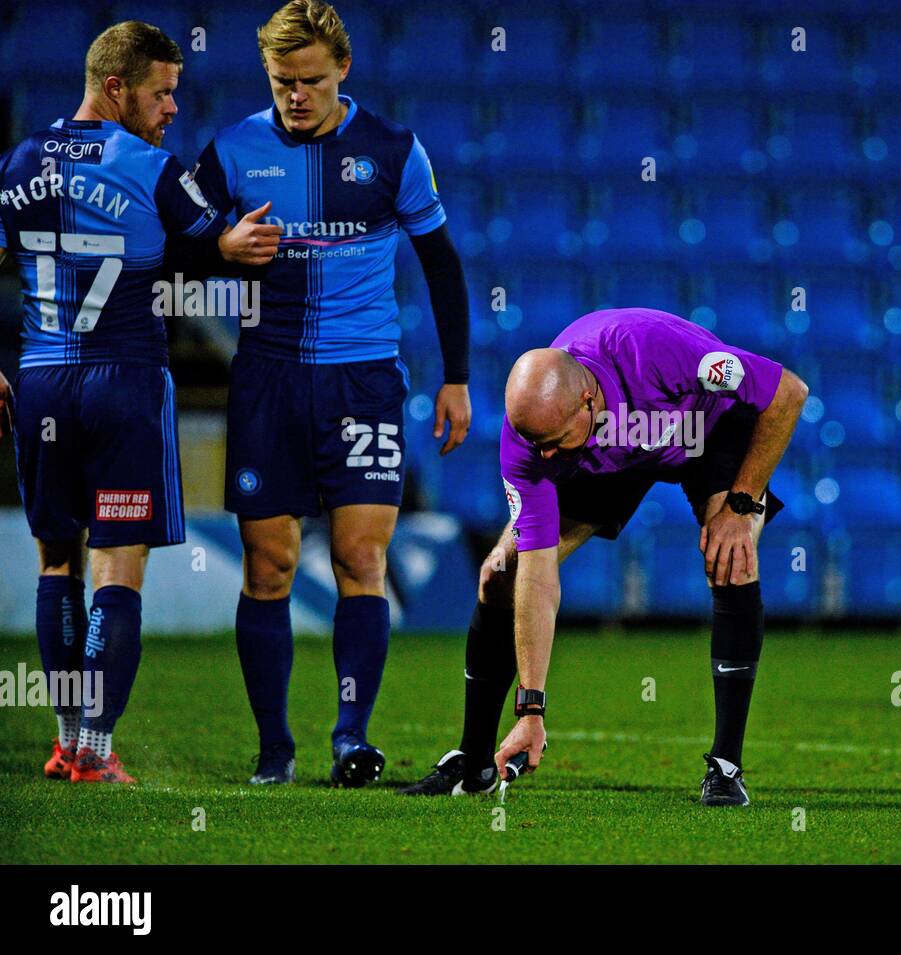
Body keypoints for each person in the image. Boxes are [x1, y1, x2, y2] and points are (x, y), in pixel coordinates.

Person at [187, 0, 471, 786]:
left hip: (364, 378)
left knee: (359, 554)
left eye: (311, 80)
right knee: (270, 563)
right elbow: (177, 241)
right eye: (283, 82)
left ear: (343, 69)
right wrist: (221, 244)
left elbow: (441, 263)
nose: (296, 96)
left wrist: (455, 378)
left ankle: (352, 736)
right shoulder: (235, 150)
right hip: (268, 379)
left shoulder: (391, 150)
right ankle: (274, 748)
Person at [400, 307, 808, 806]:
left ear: (588, 399)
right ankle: (475, 759)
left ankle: (725, 767)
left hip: (703, 429)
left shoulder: (658, 352)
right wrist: (531, 709)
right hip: (609, 451)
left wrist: (741, 505)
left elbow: (788, 392)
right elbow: (539, 575)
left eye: (552, 443)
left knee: (733, 558)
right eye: (535, 445)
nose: (544, 458)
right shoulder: (533, 442)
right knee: (499, 573)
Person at [0, 21, 226, 782]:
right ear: (118, 87)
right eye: (162, 94)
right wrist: (239, 245)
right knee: (117, 570)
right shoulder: (152, 167)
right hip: (124, 381)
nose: (171, 110)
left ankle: (68, 742)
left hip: (40, 380)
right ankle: (95, 748)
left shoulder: (18, 162)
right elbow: (210, 239)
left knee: (55, 562)